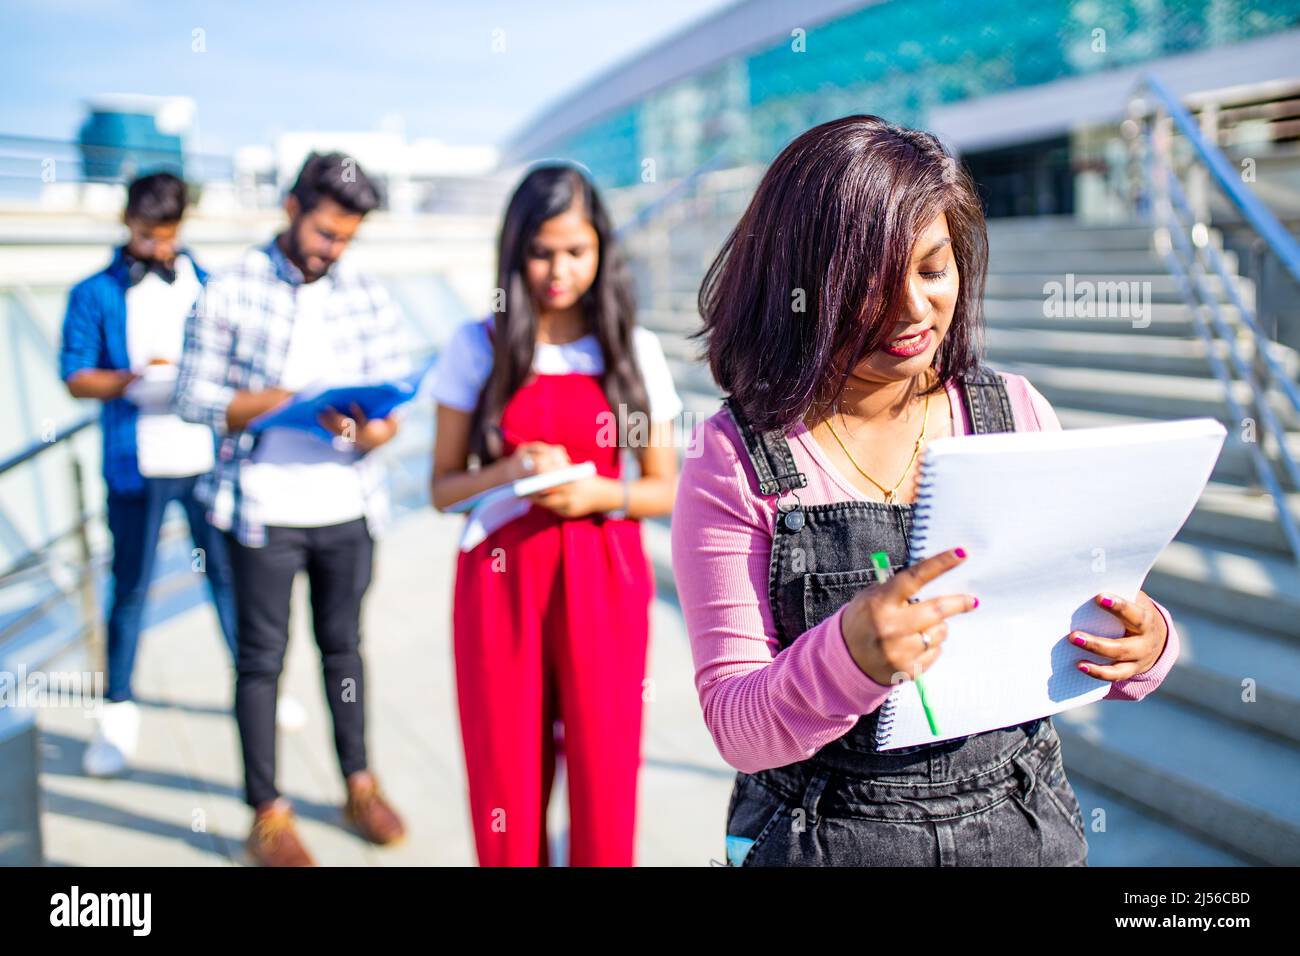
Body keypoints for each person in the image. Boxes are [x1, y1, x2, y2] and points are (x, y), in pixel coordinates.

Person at [671, 115, 1181, 866]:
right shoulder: (735, 459)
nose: (912, 311)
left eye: (933, 270)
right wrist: (845, 656)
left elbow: (1087, 601)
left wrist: (1146, 644)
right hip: (825, 835)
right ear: (799, 288)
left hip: (1021, 823)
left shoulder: (1015, 412)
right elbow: (738, 726)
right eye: (869, 286)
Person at [430, 163, 682, 866]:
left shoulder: (631, 350)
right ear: (514, 253)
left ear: (602, 248)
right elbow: (443, 488)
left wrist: (598, 494)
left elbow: (663, 488)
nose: (558, 270)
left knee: (606, 771)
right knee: (505, 770)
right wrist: (511, 471)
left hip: (604, 573)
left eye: (577, 250)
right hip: (500, 578)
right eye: (541, 252)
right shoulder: (477, 345)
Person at [174, 152, 411, 866]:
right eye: (323, 233)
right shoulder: (230, 289)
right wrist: (286, 405)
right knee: (260, 663)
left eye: (344, 238)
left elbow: (385, 419)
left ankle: (357, 784)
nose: (331, 249)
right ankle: (267, 812)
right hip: (261, 511)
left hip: (346, 508)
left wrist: (360, 427)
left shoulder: (367, 292)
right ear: (291, 207)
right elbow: (193, 397)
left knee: (344, 650)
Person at [59, 171, 245, 778]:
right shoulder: (95, 292)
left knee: (224, 575)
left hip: (204, 458)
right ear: (126, 225)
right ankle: (118, 714)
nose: (157, 249)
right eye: (145, 236)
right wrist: (132, 381)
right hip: (135, 462)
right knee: (131, 588)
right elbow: (76, 374)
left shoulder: (209, 283)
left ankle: (253, 684)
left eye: (165, 238)